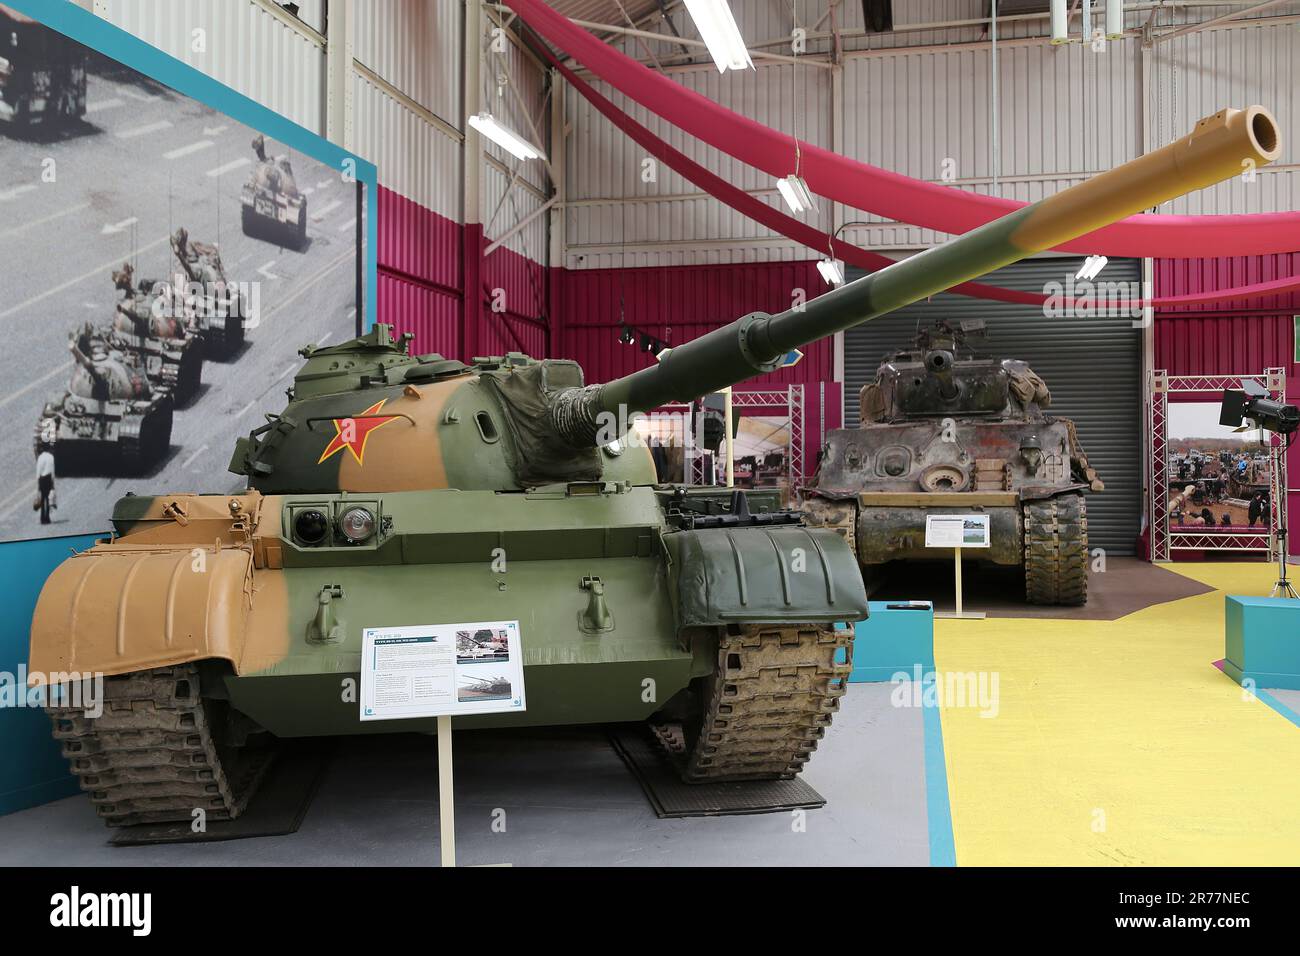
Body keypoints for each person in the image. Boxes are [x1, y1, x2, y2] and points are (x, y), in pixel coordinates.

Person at [35, 444, 56, 525]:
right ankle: (47, 518)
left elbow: (38, 470)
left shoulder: (40, 457)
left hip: (41, 479)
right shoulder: (51, 457)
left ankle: (42, 518)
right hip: (48, 478)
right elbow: (52, 470)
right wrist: (52, 482)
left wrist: (38, 482)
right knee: (47, 499)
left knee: (42, 498)